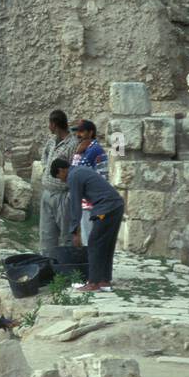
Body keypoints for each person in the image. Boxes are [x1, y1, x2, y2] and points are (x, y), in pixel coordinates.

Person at [51, 157, 125, 293]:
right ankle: (104, 280)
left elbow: (75, 205)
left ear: (61, 170)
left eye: (59, 177)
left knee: (94, 243)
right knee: (107, 244)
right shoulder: (80, 170)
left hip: (106, 209)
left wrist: (74, 231)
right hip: (116, 205)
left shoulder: (73, 176)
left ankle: (93, 282)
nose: (62, 180)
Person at [37, 109, 80, 254]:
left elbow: (75, 168)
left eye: (49, 123)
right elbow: (44, 157)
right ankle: (48, 267)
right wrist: (45, 170)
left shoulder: (73, 144)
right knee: (46, 235)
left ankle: (68, 270)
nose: (48, 126)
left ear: (54, 124)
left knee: (67, 235)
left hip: (63, 196)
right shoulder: (51, 142)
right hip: (47, 194)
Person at [70, 119, 109, 247]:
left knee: (91, 239)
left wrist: (77, 153)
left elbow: (78, 172)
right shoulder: (85, 149)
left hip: (93, 203)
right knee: (87, 237)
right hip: (86, 202)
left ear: (90, 132)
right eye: (77, 132)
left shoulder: (95, 150)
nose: (78, 135)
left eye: (81, 132)